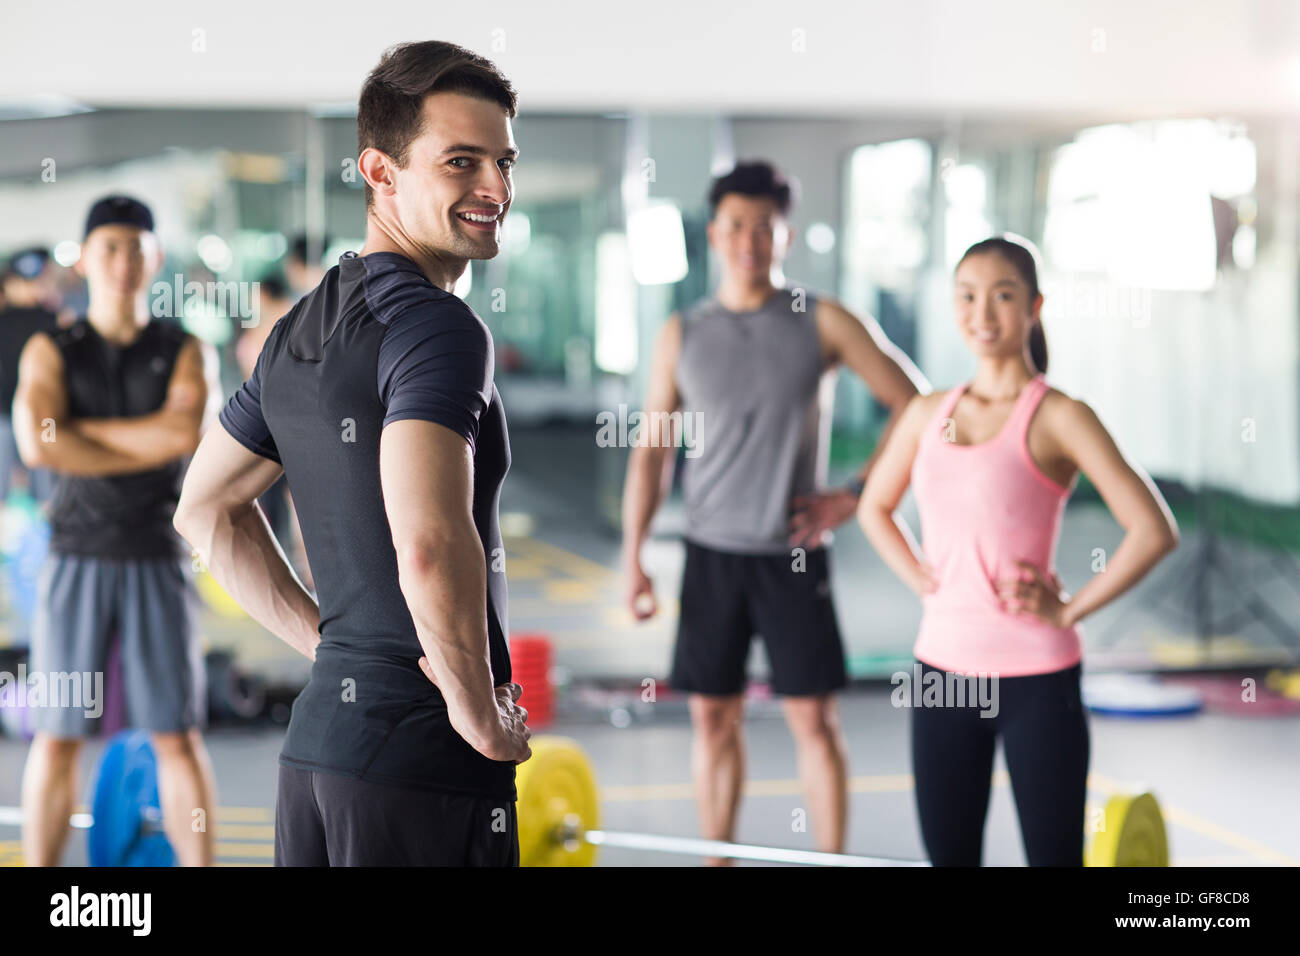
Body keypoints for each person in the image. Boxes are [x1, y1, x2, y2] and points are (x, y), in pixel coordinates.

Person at [173, 40, 531, 867]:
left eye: (505, 162)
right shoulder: (438, 329)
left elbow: (206, 508)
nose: (496, 190)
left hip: (320, 756)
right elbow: (431, 543)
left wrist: (331, 649)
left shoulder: (301, 326)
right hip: (423, 764)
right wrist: (478, 715)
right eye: (462, 162)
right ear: (380, 171)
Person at [622, 160, 928, 863]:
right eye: (735, 225)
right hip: (710, 555)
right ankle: (719, 859)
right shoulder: (684, 333)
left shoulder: (820, 320)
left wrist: (855, 498)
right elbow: (651, 453)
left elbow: (917, 403)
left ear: (786, 234)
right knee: (712, 719)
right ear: (714, 232)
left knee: (813, 722)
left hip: (793, 554)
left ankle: (829, 860)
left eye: (765, 226)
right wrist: (635, 556)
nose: (749, 240)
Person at [857, 235, 1180, 866]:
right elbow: (874, 506)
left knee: (1053, 859)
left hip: (1038, 677)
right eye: (968, 297)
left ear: (1034, 306)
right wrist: (922, 577)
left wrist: (1068, 609)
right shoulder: (927, 413)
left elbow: (1153, 528)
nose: (983, 313)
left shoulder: (1061, 416)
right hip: (942, 676)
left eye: (1002, 296)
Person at [13, 196, 222, 866]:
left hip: (157, 556)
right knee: (57, 736)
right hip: (76, 557)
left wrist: (83, 434)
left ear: (155, 258)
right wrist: (142, 440)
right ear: (86, 258)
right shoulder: (52, 348)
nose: (124, 262)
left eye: (137, 247)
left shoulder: (184, 348)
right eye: (109, 246)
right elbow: (39, 443)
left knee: (177, 737)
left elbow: (185, 435)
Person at [0, 248, 62, 509]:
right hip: (13, 413)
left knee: (47, 480)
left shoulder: (54, 321)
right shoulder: (53, 322)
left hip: (42, 416)